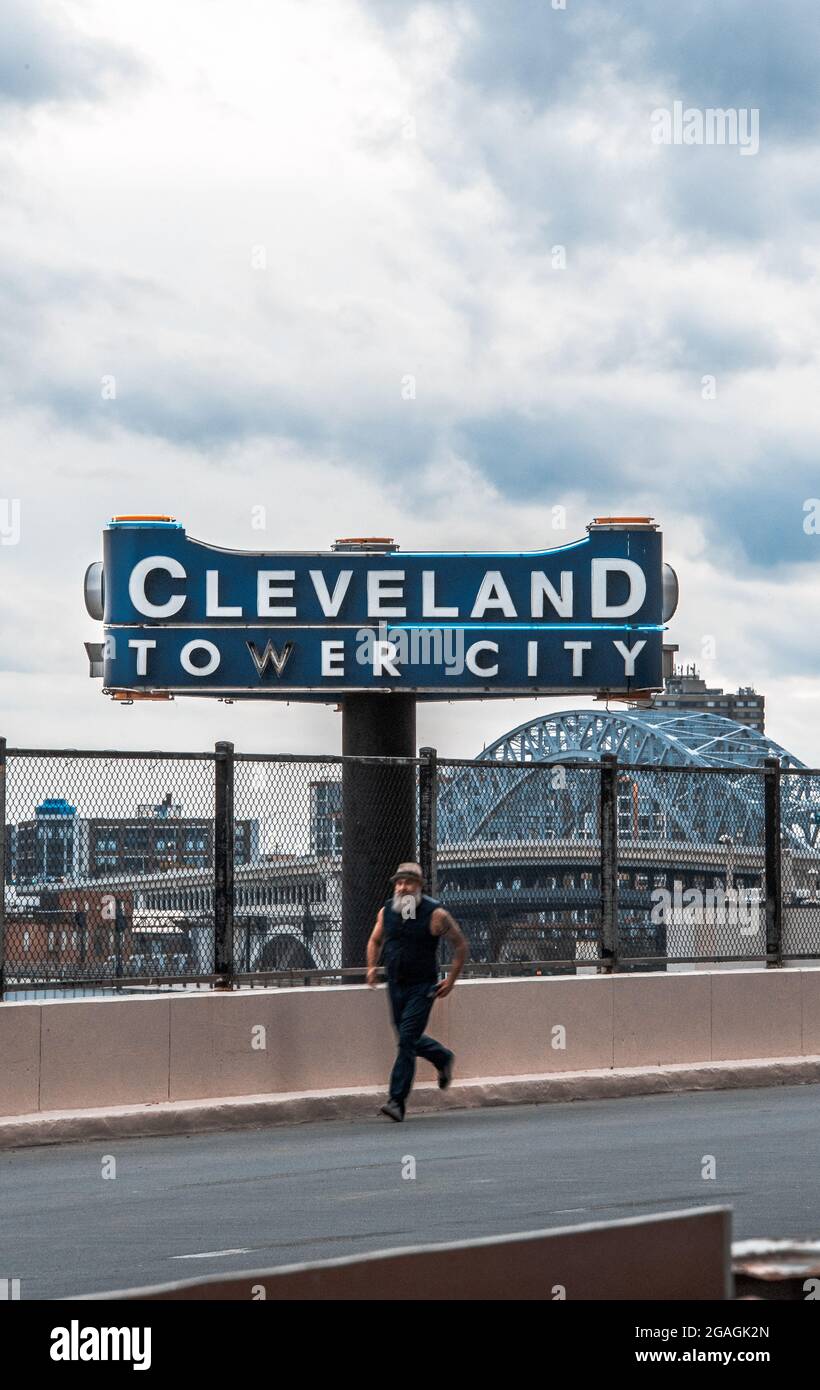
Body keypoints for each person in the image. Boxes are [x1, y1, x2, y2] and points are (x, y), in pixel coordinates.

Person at [366, 861, 468, 1122]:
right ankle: (442, 1057)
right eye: (399, 883)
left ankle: (396, 1101)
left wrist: (452, 979)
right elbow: (375, 939)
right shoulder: (387, 911)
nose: (402, 887)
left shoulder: (435, 914)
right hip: (395, 983)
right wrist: (371, 967)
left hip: (422, 986)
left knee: (407, 1040)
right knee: (405, 1037)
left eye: (408, 882)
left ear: (419, 886)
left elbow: (460, 945)